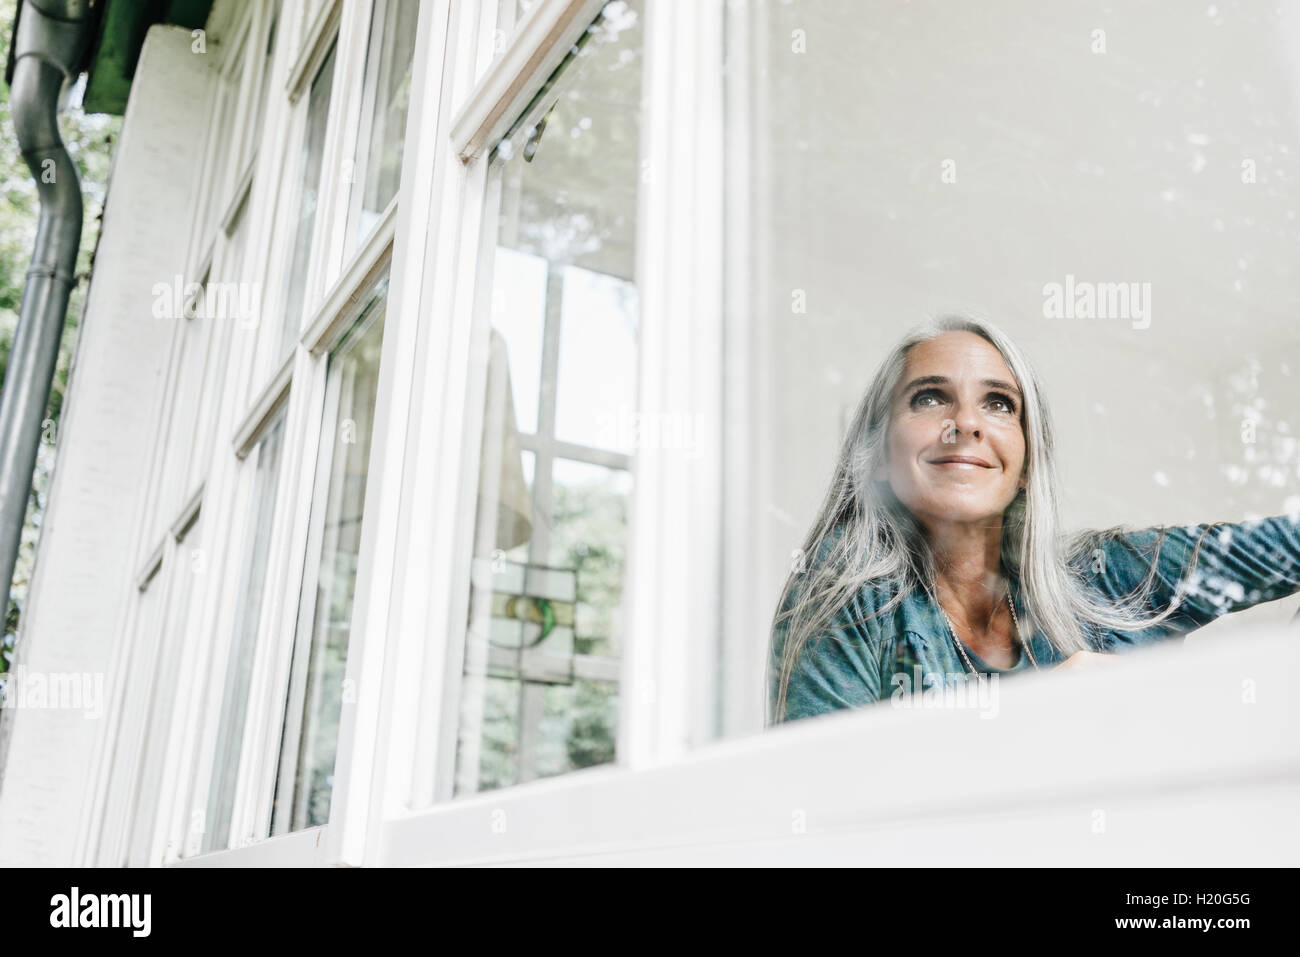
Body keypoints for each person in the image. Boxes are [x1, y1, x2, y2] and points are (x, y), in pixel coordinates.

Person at [767, 314, 1300, 726]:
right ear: (880, 455)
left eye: (999, 404)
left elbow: (1289, 549)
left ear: (1025, 465)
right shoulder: (848, 596)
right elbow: (819, 808)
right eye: (930, 397)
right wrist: (1028, 722)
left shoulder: (1105, 575)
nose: (967, 423)